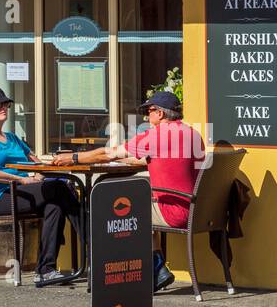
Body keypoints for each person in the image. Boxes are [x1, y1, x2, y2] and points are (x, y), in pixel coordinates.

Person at [63, 89, 203, 292]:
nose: (147, 116)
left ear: (160, 113)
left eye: (149, 111)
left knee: (122, 207)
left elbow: (108, 153)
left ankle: (113, 271)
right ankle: (158, 269)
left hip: (174, 212)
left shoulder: (158, 136)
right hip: (195, 209)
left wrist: (73, 158)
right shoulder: (192, 133)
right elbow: (150, 157)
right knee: (141, 203)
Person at [0, 86, 82, 288]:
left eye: (6, 104)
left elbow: (37, 164)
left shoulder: (13, 138)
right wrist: (21, 179)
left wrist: (41, 172)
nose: (4, 108)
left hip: (23, 192)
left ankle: (45, 271)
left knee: (55, 204)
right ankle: (95, 246)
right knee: (60, 190)